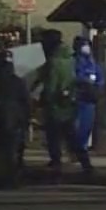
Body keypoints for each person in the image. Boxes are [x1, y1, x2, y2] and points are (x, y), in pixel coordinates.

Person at [40, 31, 93, 178]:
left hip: (55, 105)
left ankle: (56, 165)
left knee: (54, 138)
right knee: (72, 137)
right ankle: (86, 163)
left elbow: (51, 85)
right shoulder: (70, 59)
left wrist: (45, 99)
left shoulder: (53, 62)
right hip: (69, 104)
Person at [0, 50, 30, 188]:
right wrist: (25, 119)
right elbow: (26, 102)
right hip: (14, 121)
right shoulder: (18, 81)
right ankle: (11, 179)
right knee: (12, 151)